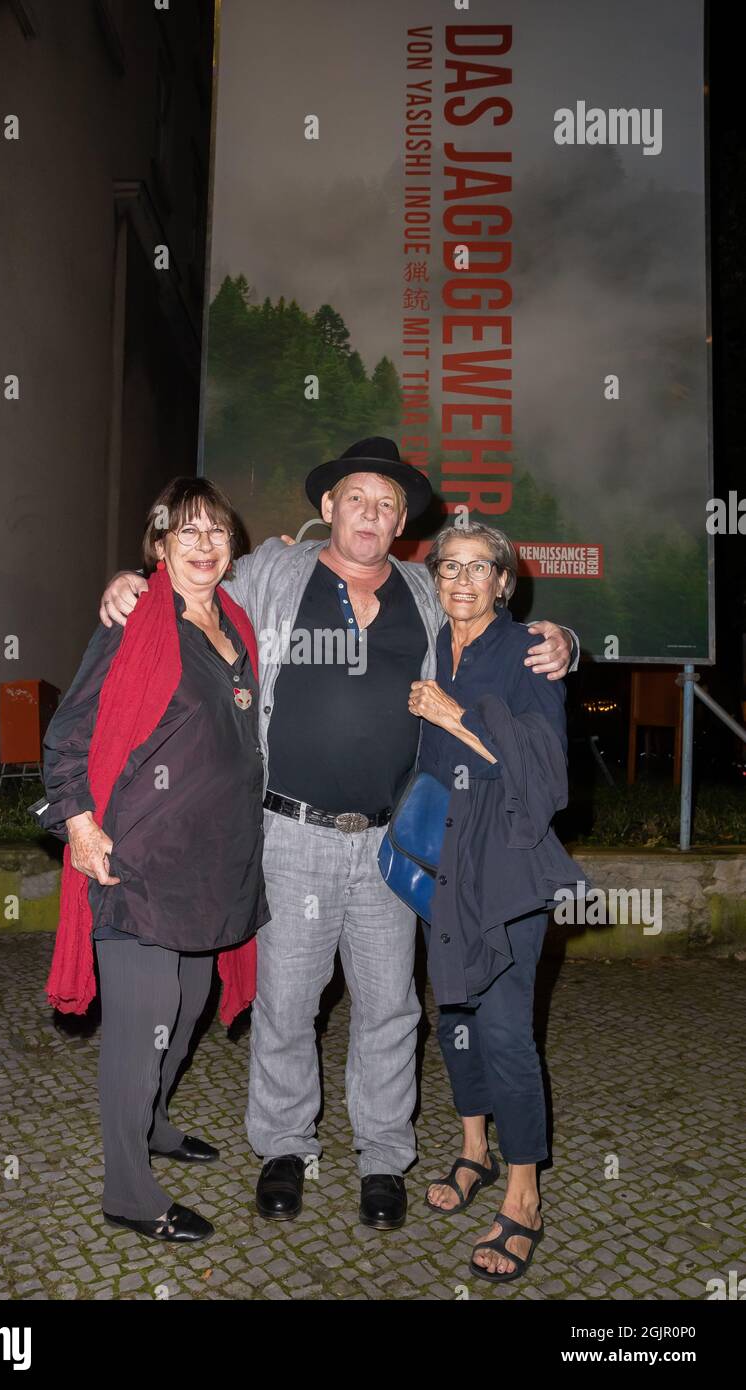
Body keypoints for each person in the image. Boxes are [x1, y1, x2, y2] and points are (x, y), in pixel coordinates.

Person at [99, 437, 577, 1231]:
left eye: (388, 505)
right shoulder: (275, 574)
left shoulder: (427, 592)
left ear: (402, 525)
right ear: (328, 508)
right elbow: (192, 580)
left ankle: (384, 1156)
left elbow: (490, 631)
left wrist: (563, 641)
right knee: (288, 1003)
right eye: (358, 498)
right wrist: (130, 584)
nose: (372, 514)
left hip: (390, 841)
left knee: (391, 1005)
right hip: (290, 832)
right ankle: (284, 1148)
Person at [33, 477, 268, 1244]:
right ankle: (129, 1191)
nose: (204, 545)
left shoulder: (235, 619)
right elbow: (68, 733)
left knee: (190, 1003)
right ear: (159, 547)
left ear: (232, 547)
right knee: (143, 1021)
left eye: (217, 532)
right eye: (186, 533)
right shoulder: (134, 618)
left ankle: (157, 1124)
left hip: (212, 860)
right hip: (135, 857)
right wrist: (79, 823)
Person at [408, 520, 585, 1283]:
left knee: (507, 1028)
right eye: (451, 567)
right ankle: (474, 1149)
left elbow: (545, 780)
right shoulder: (430, 640)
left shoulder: (527, 653)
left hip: (506, 862)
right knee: (454, 1014)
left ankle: (524, 1195)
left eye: (481, 569)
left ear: (504, 583)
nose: (463, 581)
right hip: (442, 857)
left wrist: (454, 716)